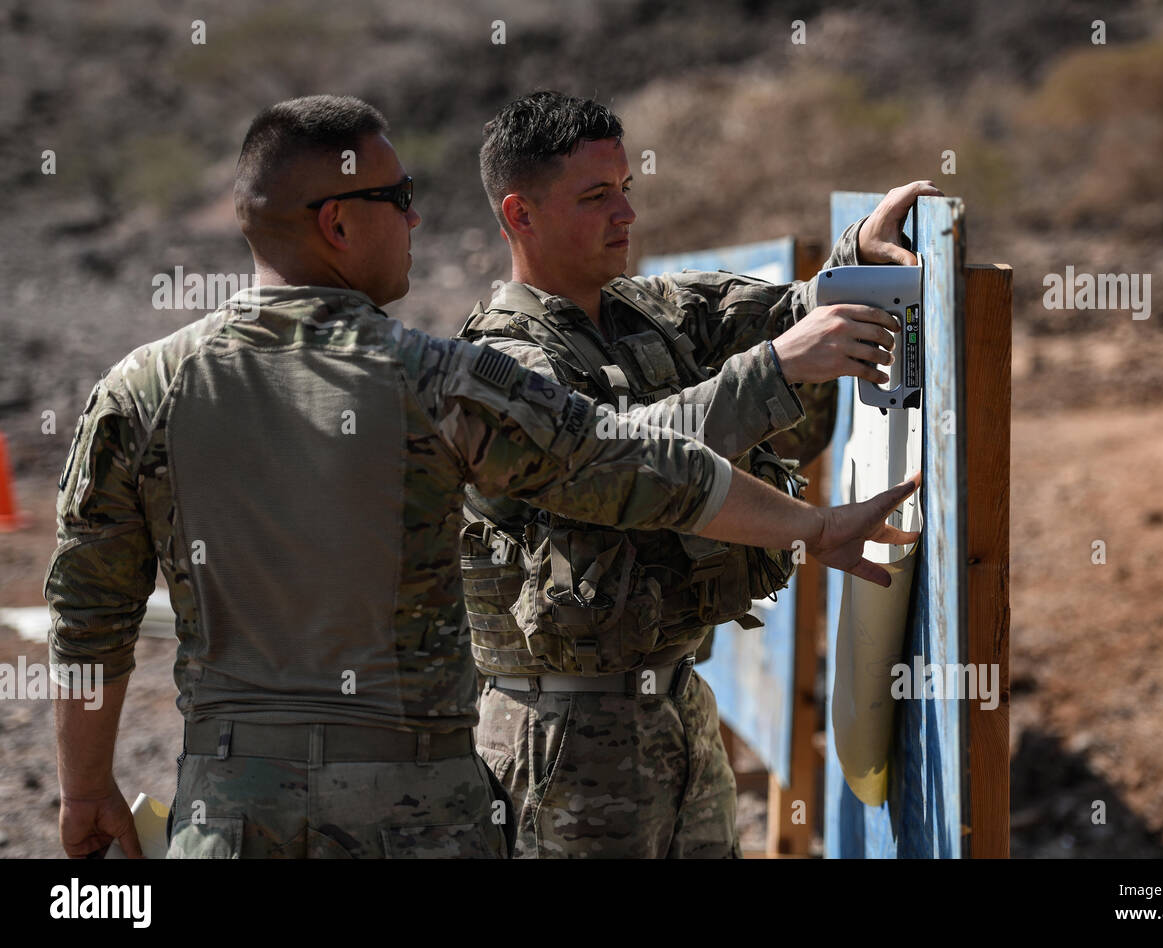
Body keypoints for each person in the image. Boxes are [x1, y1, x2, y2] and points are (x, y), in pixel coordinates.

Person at [46, 94, 921, 860]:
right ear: (337, 223)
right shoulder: (442, 381)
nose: (417, 222)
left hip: (232, 813)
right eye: (400, 200)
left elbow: (89, 619)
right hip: (416, 813)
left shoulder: (138, 392)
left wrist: (85, 790)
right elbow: (623, 464)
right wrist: (809, 529)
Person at [458, 90, 939, 857]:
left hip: (678, 707)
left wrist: (856, 256)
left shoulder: (650, 311)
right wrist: (774, 370)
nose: (626, 215)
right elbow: (610, 455)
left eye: (626, 190)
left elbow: (787, 310)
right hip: (560, 741)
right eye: (595, 197)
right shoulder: (497, 366)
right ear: (520, 215)